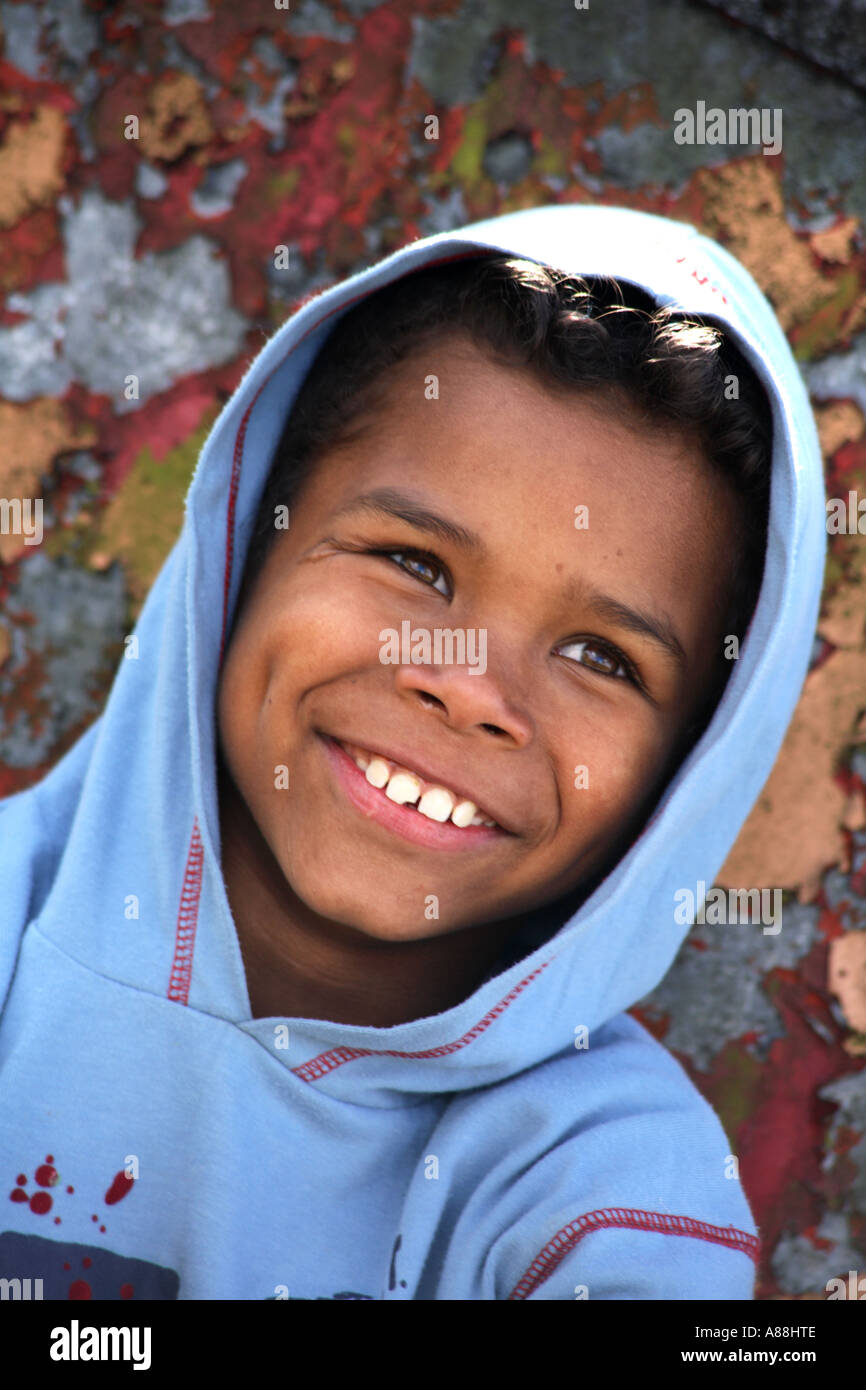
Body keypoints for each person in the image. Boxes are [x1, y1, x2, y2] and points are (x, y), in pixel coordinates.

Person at [0, 204, 825, 1300]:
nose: (468, 686)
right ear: (244, 544)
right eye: (413, 563)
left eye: (599, 655)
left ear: (684, 777)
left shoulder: (603, 1194)